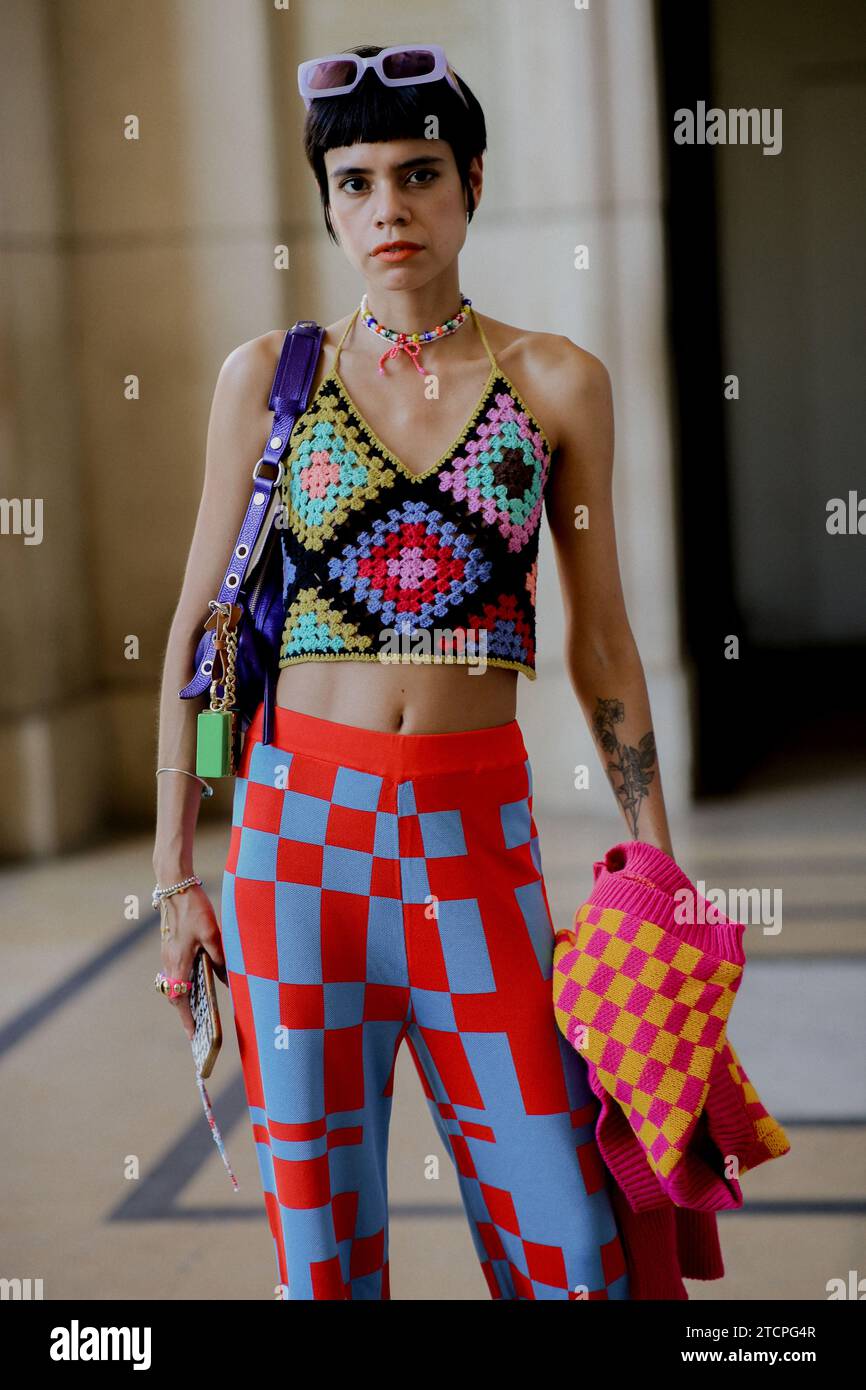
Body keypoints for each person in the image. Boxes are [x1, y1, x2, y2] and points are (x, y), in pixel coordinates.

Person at [152, 42, 676, 1301]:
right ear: (328, 203)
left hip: (474, 838)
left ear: (472, 184)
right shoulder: (270, 381)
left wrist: (657, 858)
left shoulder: (553, 382)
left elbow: (598, 637)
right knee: (322, 1246)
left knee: (565, 1229)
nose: (386, 207)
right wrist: (178, 869)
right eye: (354, 181)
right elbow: (204, 645)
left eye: (418, 174)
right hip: (294, 851)